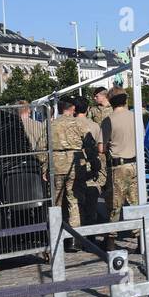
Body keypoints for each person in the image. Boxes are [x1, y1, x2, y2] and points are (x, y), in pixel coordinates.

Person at [48, 97, 87, 232]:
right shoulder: (78, 124)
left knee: (56, 203)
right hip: (74, 165)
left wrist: (44, 167)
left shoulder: (51, 125)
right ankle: (75, 238)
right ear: (73, 108)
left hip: (56, 165)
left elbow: (41, 148)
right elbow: (89, 144)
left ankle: (57, 234)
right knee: (74, 201)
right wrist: (92, 163)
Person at [102, 89, 138, 229]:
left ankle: (111, 238)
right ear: (125, 100)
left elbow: (101, 147)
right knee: (136, 203)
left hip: (118, 167)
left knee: (115, 205)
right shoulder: (135, 117)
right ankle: (140, 236)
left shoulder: (108, 120)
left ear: (111, 102)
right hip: (135, 164)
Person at [74, 95, 106, 225]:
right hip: (91, 170)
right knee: (92, 204)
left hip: (75, 169)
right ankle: (91, 235)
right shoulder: (94, 126)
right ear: (87, 109)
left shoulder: (71, 125)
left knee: (76, 204)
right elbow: (100, 148)